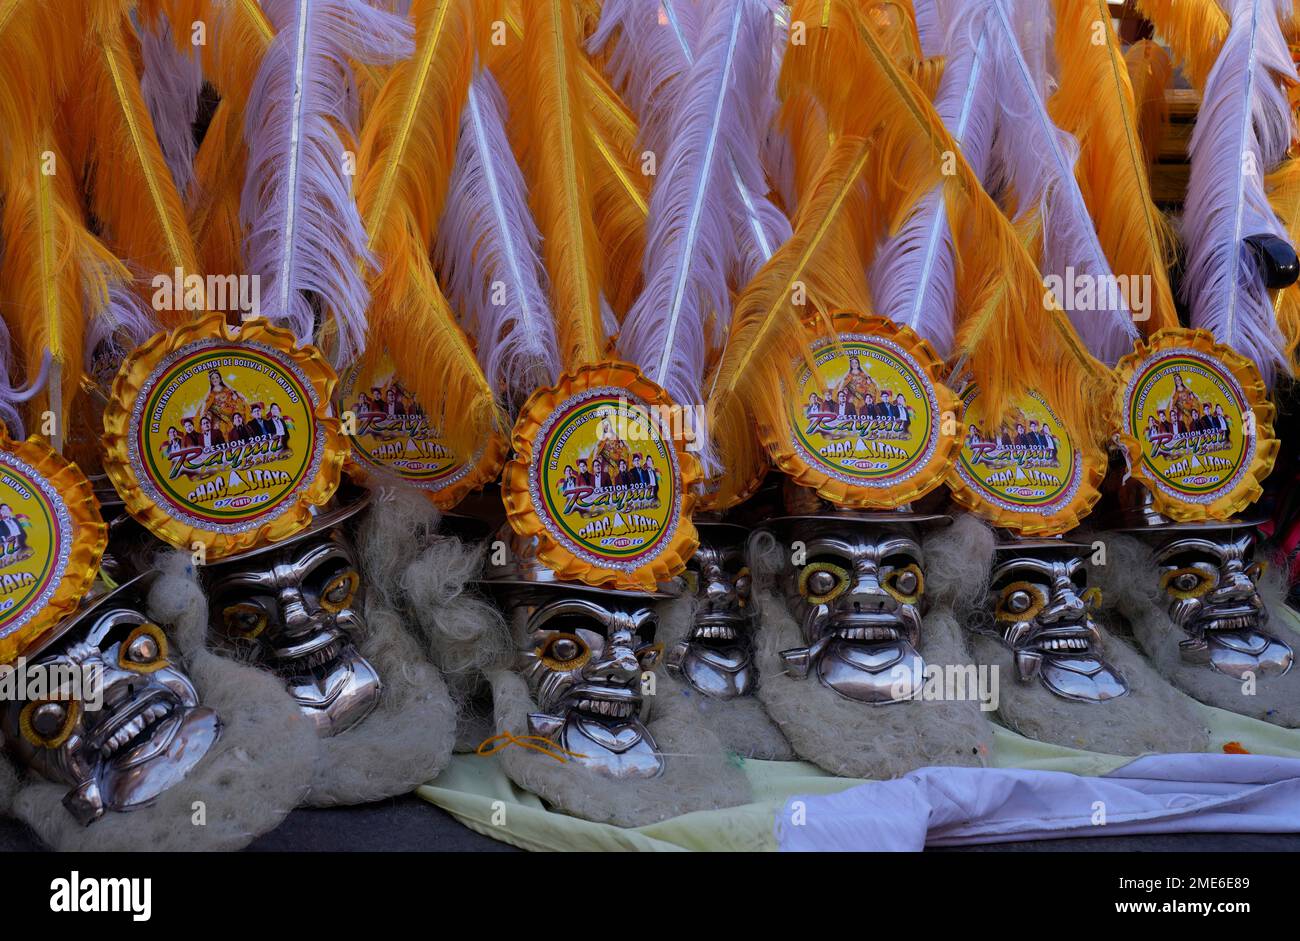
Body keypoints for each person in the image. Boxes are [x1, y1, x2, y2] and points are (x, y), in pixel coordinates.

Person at [199, 369, 249, 439]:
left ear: (220, 379)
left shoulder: (226, 389)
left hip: (232, 412)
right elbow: (205, 404)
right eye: (213, 378)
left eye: (217, 377)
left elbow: (236, 395)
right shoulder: (211, 394)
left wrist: (238, 398)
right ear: (210, 380)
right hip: (220, 417)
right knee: (222, 427)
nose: (215, 380)